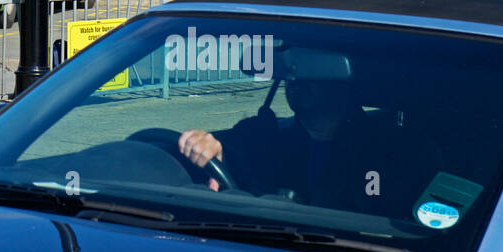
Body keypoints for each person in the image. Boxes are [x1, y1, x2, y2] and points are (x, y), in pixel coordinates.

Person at [177, 78, 436, 215]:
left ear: (343, 81)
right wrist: (213, 151)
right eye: (292, 72)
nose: (296, 79)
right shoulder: (261, 134)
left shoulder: (387, 148)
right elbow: (232, 155)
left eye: (311, 71)